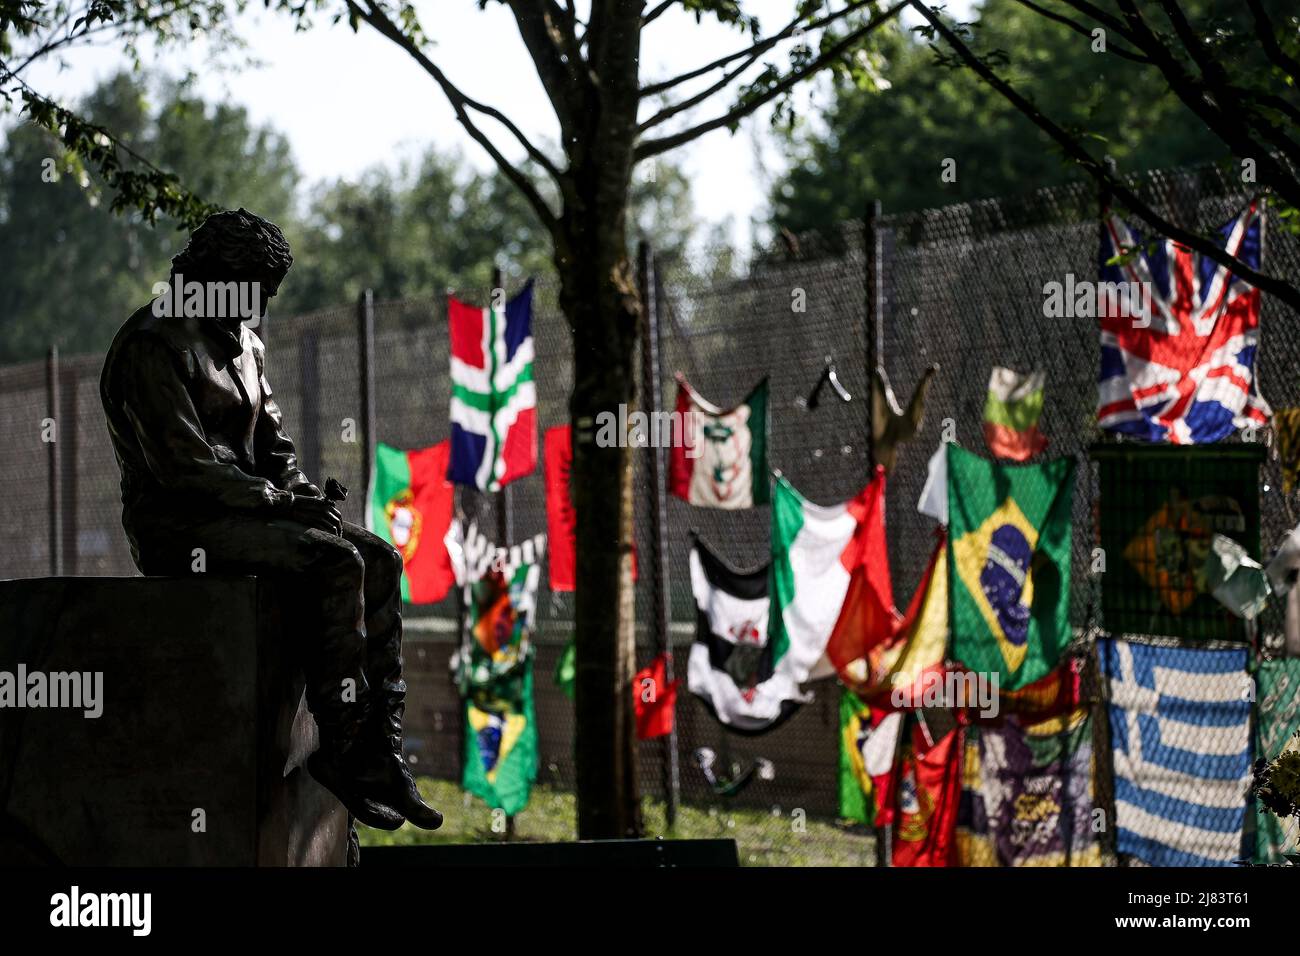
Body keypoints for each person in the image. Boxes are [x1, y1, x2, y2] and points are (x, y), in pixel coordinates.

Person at [99, 208, 441, 832]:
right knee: (333, 562)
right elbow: (185, 470)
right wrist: (282, 505)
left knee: (381, 557)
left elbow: (276, 450)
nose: (259, 309)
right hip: (183, 529)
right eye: (254, 292)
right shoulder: (153, 343)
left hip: (257, 515)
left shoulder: (247, 343)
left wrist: (309, 499)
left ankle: (379, 752)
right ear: (215, 277)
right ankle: (342, 747)